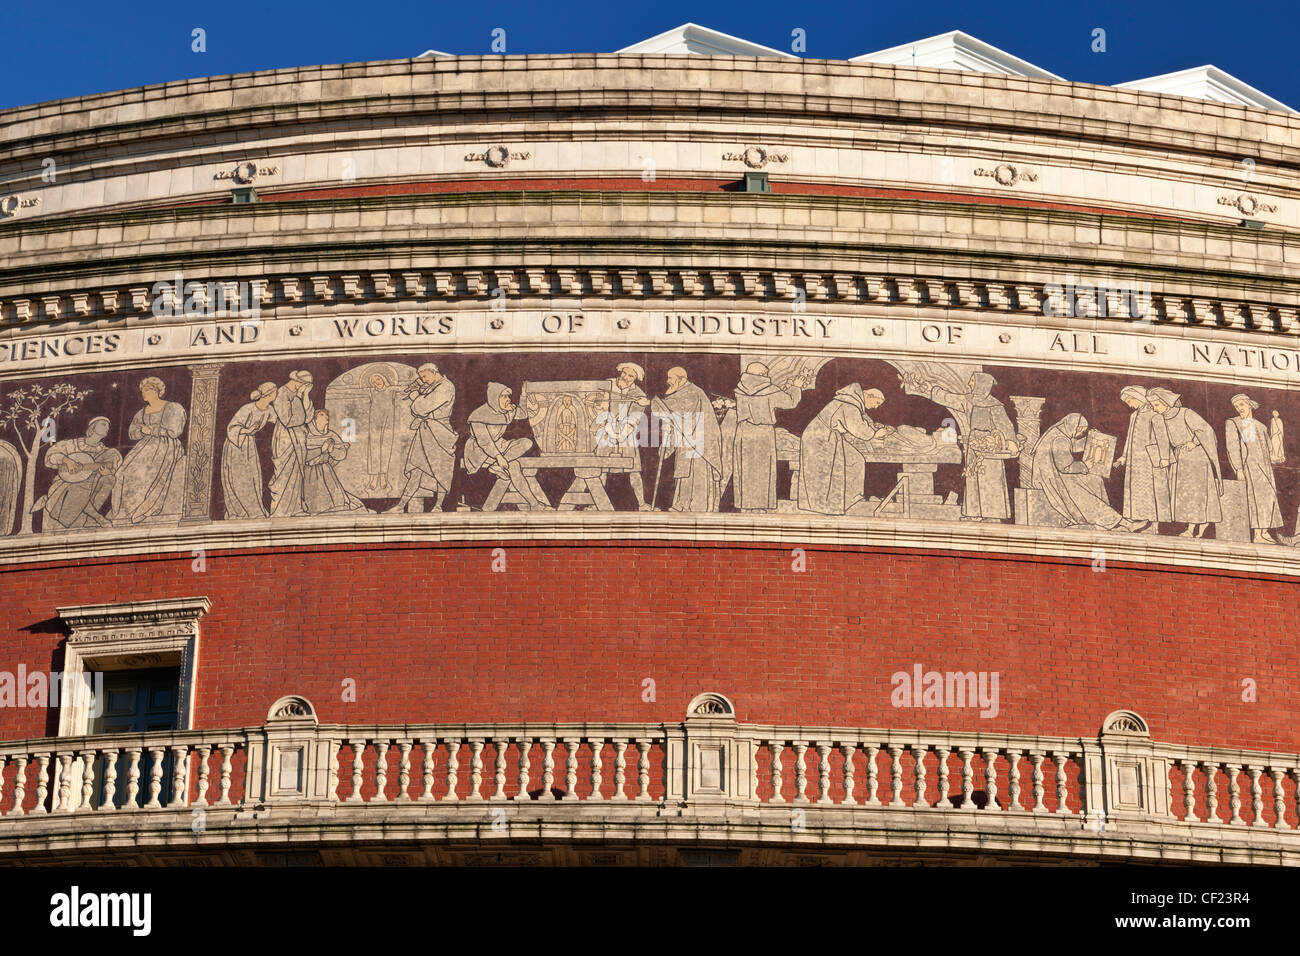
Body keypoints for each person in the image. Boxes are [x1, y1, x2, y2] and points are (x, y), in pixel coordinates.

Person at [923, 372, 1015, 521]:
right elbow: (949, 398)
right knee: (972, 480)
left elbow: (1006, 427)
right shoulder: (969, 400)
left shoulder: (995, 405)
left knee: (990, 481)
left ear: (981, 384)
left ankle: (993, 515)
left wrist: (1011, 442)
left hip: (990, 449)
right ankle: (974, 513)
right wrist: (932, 389)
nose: (970, 384)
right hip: (974, 447)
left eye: (972, 381)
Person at [1031, 413, 1138, 532]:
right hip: (1053, 479)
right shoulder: (1059, 439)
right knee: (1084, 494)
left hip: (1055, 475)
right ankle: (1123, 523)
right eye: (1080, 430)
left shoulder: (1061, 433)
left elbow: (1073, 446)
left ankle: (1108, 523)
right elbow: (1065, 467)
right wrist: (1085, 465)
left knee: (1094, 480)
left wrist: (1091, 438)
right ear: (1073, 426)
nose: (1080, 434)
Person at [797, 384, 892, 515]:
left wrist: (873, 427)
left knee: (856, 459)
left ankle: (852, 498)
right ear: (868, 395)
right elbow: (858, 428)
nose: (876, 407)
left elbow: (862, 420)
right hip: (819, 438)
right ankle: (821, 506)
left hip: (829, 436)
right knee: (821, 473)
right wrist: (875, 433)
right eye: (876, 403)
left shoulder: (853, 402)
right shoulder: (848, 404)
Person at [110, 377, 187, 525]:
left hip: (166, 445)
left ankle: (146, 508)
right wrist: (143, 431)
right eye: (142, 391)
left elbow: (174, 430)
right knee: (123, 472)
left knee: (149, 470)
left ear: (156, 391)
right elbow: (132, 433)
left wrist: (152, 430)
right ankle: (126, 510)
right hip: (145, 445)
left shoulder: (172, 407)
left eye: (147, 390)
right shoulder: (142, 412)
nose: (143, 394)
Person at [463, 382, 551, 510]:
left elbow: (523, 413)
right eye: (503, 397)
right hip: (478, 451)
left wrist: (524, 395)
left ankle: (497, 466)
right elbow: (484, 441)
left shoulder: (506, 411)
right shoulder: (478, 416)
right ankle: (535, 504)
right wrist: (499, 457)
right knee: (514, 466)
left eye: (508, 396)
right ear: (494, 398)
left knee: (527, 442)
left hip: (499, 446)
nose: (508, 400)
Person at [1147, 388, 1221, 538]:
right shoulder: (1160, 419)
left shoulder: (1185, 413)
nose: (1155, 408)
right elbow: (1163, 441)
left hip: (1196, 458)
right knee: (1185, 494)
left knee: (1196, 493)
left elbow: (1207, 430)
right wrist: (1164, 458)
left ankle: (1191, 528)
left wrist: (1194, 442)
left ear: (1165, 402)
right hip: (1180, 457)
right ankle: (1194, 525)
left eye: (1156, 405)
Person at [732, 362, 806, 511]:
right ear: (761, 374)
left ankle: (746, 505)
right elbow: (790, 402)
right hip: (763, 433)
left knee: (746, 470)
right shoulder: (769, 389)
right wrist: (796, 386)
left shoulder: (740, 388)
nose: (767, 376)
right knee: (762, 470)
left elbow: (764, 400)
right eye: (765, 373)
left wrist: (784, 389)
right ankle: (761, 505)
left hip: (743, 431)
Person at [650, 366, 723, 512]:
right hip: (687, 439)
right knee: (683, 472)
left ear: (681, 379)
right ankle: (682, 504)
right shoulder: (682, 393)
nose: (668, 381)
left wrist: (651, 402)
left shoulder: (693, 393)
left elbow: (673, 410)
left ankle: (698, 506)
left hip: (700, 441)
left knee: (697, 473)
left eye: (671, 378)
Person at [386, 363, 457, 514]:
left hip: (440, 432)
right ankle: (400, 506)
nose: (423, 380)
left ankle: (438, 506)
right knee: (416, 468)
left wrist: (415, 397)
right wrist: (418, 392)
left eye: (425, 376)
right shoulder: (434, 386)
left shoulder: (445, 386)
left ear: (433, 372)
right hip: (426, 430)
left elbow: (422, 407)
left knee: (441, 470)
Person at [34, 417, 121, 530]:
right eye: (103, 424)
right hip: (67, 483)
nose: (107, 428)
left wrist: (107, 472)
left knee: (109, 479)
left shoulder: (104, 451)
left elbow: (111, 468)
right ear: (93, 427)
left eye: (108, 426)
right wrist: (67, 461)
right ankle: (98, 518)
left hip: (93, 483)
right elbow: (50, 458)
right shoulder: (72, 444)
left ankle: (88, 519)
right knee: (79, 487)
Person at [594, 362, 652, 511]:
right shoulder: (606, 385)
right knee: (601, 469)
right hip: (606, 430)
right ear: (620, 371)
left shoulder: (638, 394)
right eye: (624, 373)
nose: (626, 377)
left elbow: (635, 417)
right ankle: (596, 503)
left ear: (636, 378)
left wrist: (622, 434)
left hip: (626, 435)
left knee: (633, 470)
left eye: (631, 376)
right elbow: (596, 406)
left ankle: (642, 504)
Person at [1224, 393, 1281, 544]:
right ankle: (1257, 534)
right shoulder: (1234, 423)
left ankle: (1265, 530)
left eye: (1241, 405)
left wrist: (1275, 455)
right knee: (1255, 499)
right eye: (1236, 407)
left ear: (1249, 404)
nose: (1239, 409)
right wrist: (1239, 468)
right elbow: (1233, 448)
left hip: (1265, 467)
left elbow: (1268, 448)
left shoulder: (1260, 425)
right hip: (1250, 467)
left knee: (1268, 497)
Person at [1113, 385, 1170, 534]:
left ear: (1139, 397)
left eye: (1131, 400)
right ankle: (1136, 520)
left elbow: (1163, 438)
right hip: (1135, 459)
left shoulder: (1155, 414)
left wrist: (1164, 457)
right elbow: (1129, 438)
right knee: (1135, 490)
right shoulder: (1134, 415)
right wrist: (1124, 456)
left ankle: (1154, 525)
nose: (1130, 404)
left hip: (1151, 459)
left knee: (1152, 490)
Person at [221, 382, 277, 519]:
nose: (277, 395)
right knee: (239, 477)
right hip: (236, 445)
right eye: (275, 392)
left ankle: (254, 510)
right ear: (269, 394)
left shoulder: (269, 410)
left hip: (249, 445)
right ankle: (241, 511)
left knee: (253, 477)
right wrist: (247, 430)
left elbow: (280, 422)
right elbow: (232, 428)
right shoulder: (248, 408)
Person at [303, 410, 367, 514]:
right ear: (314, 420)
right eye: (321, 415)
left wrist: (333, 449)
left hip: (326, 469)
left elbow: (341, 454)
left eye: (326, 415)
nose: (326, 417)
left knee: (337, 499)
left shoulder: (331, 434)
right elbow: (303, 455)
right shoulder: (306, 435)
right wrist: (321, 449)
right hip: (310, 471)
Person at [268, 370, 314, 517]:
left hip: (298, 438)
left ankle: (296, 508)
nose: (304, 388)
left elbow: (307, 418)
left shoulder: (297, 395)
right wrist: (297, 398)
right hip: (286, 439)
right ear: (298, 382)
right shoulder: (282, 393)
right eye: (304, 385)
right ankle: (281, 510)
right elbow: (288, 419)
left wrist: (304, 396)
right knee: (285, 473)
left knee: (297, 472)